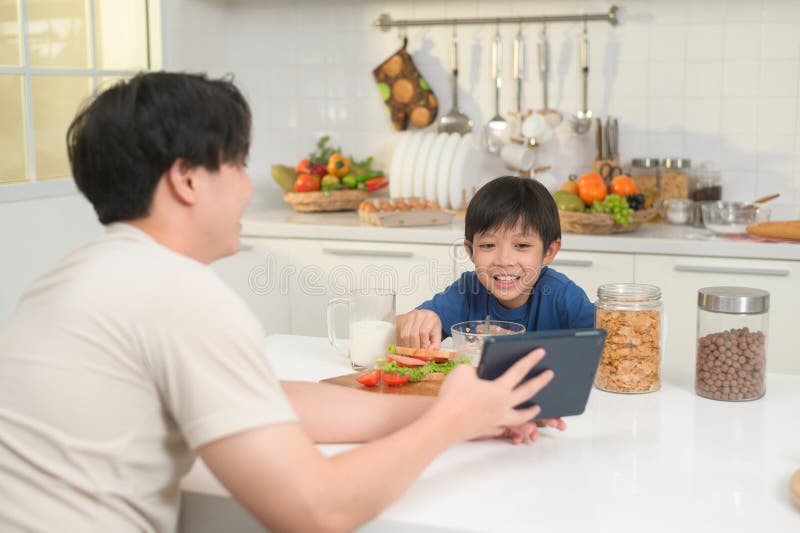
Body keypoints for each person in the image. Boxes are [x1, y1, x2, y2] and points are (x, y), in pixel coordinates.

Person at [0, 72, 564, 533]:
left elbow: (273, 401)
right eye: (237, 164)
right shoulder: (177, 297)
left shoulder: (79, 275)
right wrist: (448, 421)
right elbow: (316, 510)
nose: (248, 187)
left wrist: (469, 415)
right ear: (187, 180)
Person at [397, 175, 595, 349]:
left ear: (549, 251)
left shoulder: (564, 296)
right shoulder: (468, 291)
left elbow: (611, 347)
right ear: (471, 251)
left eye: (522, 245)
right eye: (488, 245)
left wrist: (518, 348)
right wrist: (416, 322)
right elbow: (394, 332)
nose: (504, 260)